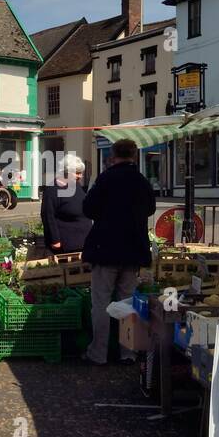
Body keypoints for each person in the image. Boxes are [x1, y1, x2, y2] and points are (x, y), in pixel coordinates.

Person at [81, 138, 156, 365]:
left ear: (113, 155)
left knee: (101, 302)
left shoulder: (105, 179)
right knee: (127, 302)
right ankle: (128, 353)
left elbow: (88, 208)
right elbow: (150, 208)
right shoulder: (141, 181)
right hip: (133, 249)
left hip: (106, 249)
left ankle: (98, 353)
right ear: (134, 155)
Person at [41, 154, 91, 255]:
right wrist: (55, 240)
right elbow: (48, 216)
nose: (80, 176)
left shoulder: (75, 185)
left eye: (81, 173)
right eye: (77, 173)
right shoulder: (52, 189)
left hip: (84, 243)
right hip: (66, 246)